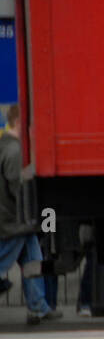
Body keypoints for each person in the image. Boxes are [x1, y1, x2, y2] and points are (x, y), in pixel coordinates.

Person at [0, 104, 61, 324]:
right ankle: (38, 307)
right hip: (13, 222)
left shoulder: (5, 145)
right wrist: (39, 212)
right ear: (19, 122)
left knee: (33, 260)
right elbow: (18, 187)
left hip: (17, 223)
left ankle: (38, 308)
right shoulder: (14, 150)